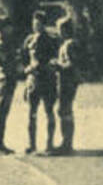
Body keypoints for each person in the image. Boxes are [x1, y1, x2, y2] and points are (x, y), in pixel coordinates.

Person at [22, 11, 57, 155]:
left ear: (44, 24)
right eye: (34, 23)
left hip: (47, 80)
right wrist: (27, 69)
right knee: (31, 113)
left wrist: (45, 65)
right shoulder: (29, 40)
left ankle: (49, 144)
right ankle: (32, 145)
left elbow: (54, 58)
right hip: (33, 80)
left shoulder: (51, 40)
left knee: (49, 111)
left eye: (39, 24)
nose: (36, 26)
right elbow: (24, 58)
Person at [0, 15, 17, 155]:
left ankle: (0, 143)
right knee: (1, 112)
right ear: (3, 28)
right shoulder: (0, 45)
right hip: (5, 79)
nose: (11, 29)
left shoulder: (4, 42)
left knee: (3, 112)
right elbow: (7, 63)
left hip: (8, 79)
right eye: (9, 26)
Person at [54, 16, 80, 155]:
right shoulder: (67, 44)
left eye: (60, 29)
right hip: (65, 81)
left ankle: (67, 143)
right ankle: (66, 142)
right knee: (64, 111)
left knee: (65, 111)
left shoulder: (69, 44)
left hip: (68, 81)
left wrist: (58, 66)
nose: (58, 32)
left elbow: (71, 64)